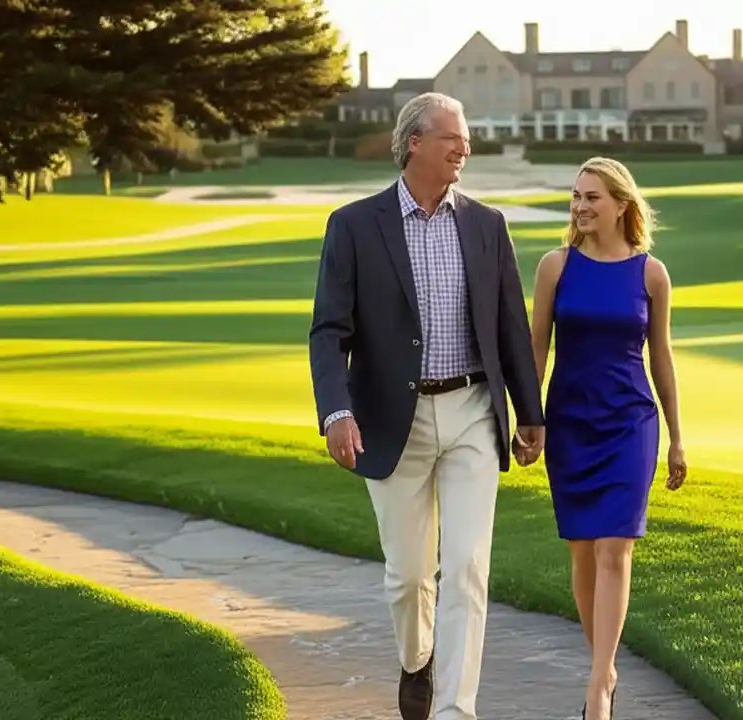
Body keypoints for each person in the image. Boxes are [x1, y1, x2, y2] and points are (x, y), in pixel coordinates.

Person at [308, 92, 545, 720]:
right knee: (410, 576)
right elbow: (329, 330)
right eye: (452, 137)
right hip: (392, 421)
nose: (464, 147)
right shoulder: (354, 225)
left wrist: (530, 413)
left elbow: (510, 327)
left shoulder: (487, 224)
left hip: (472, 412)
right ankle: (417, 662)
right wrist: (336, 412)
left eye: (466, 138)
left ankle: (453, 711)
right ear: (415, 142)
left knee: (466, 567)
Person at [523, 156, 687, 720]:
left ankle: (597, 690)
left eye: (592, 197)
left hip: (630, 421)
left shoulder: (651, 273)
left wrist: (677, 437)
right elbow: (535, 350)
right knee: (582, 551)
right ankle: (605, 668)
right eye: (576, 196)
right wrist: (527, 417)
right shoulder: (555, 266)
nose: (581, 206)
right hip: (570, 420)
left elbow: (661, 358)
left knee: (614, 547)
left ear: (622, 204)